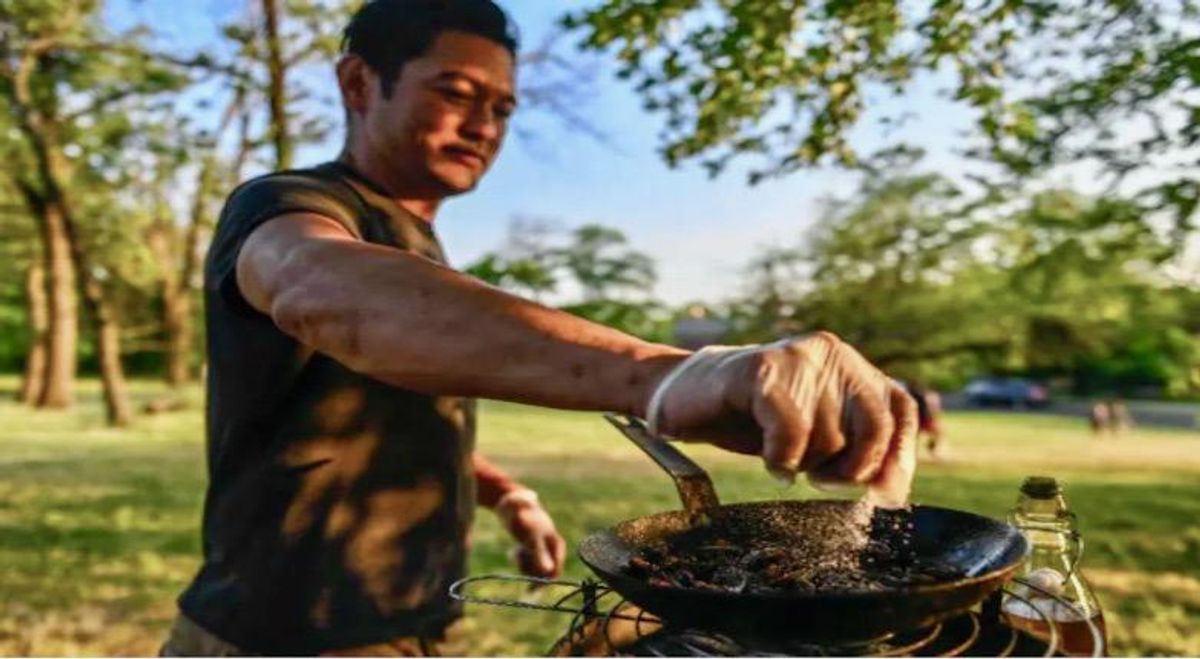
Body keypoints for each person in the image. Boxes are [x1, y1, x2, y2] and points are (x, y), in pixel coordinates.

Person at [162, 1, 919, 655]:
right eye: (455, 92)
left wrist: (502, 491)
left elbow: (374, 408)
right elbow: (316, 287)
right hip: (283, 634)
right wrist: (668, 374)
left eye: (501, 108)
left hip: (403, 620)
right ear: (359, 83)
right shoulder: (288, 205)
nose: (482, 125)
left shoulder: (419, 247)